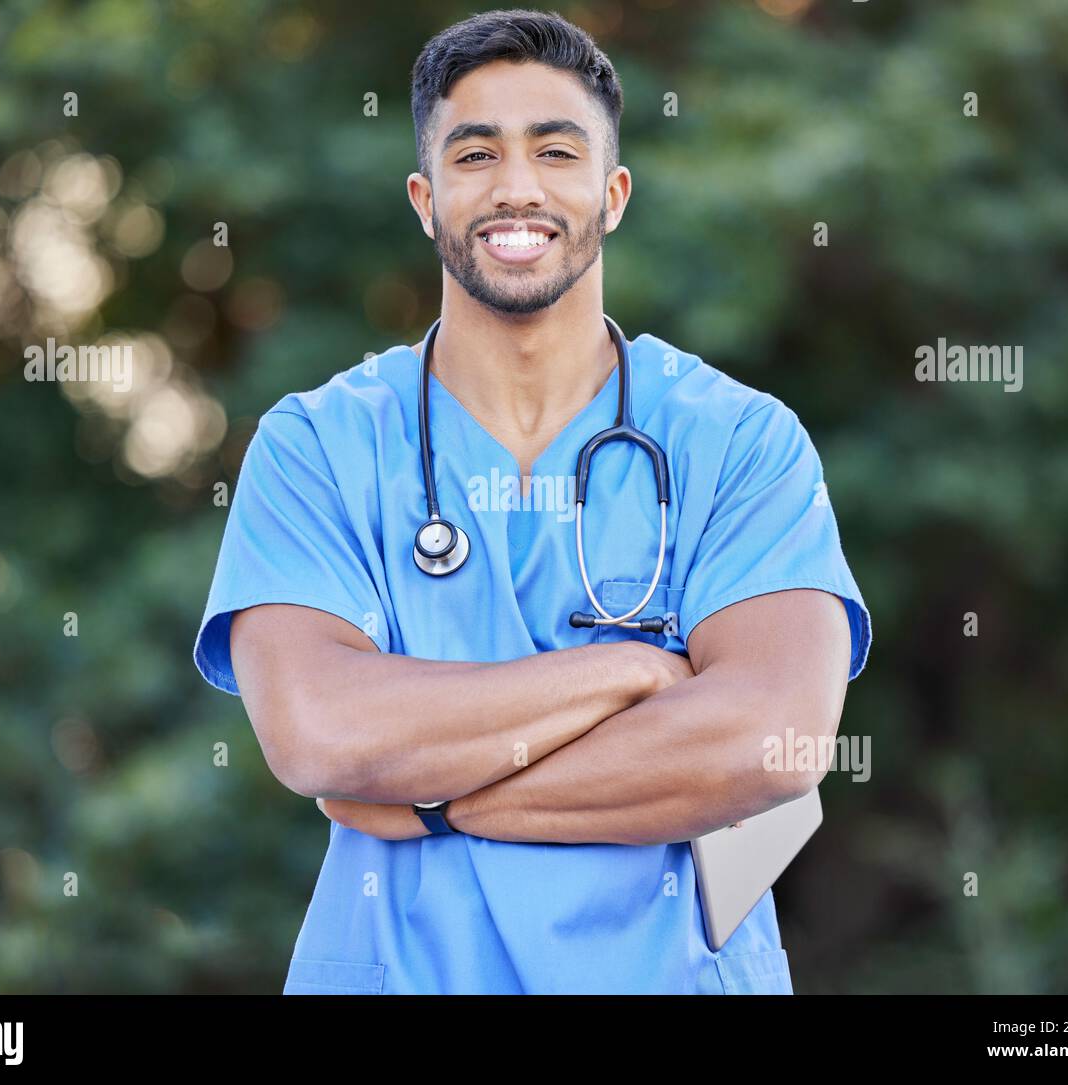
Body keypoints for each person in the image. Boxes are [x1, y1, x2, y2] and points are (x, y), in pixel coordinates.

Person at [193, 9, 872, 995]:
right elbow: (319, 732)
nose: (517, 187)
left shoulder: (739, 441)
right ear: (425, 199)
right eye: (476, 155)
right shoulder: (318, 446)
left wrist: (432, 802)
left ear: (613, 192)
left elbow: (777, 738)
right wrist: (629, 669)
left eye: (556, 151)